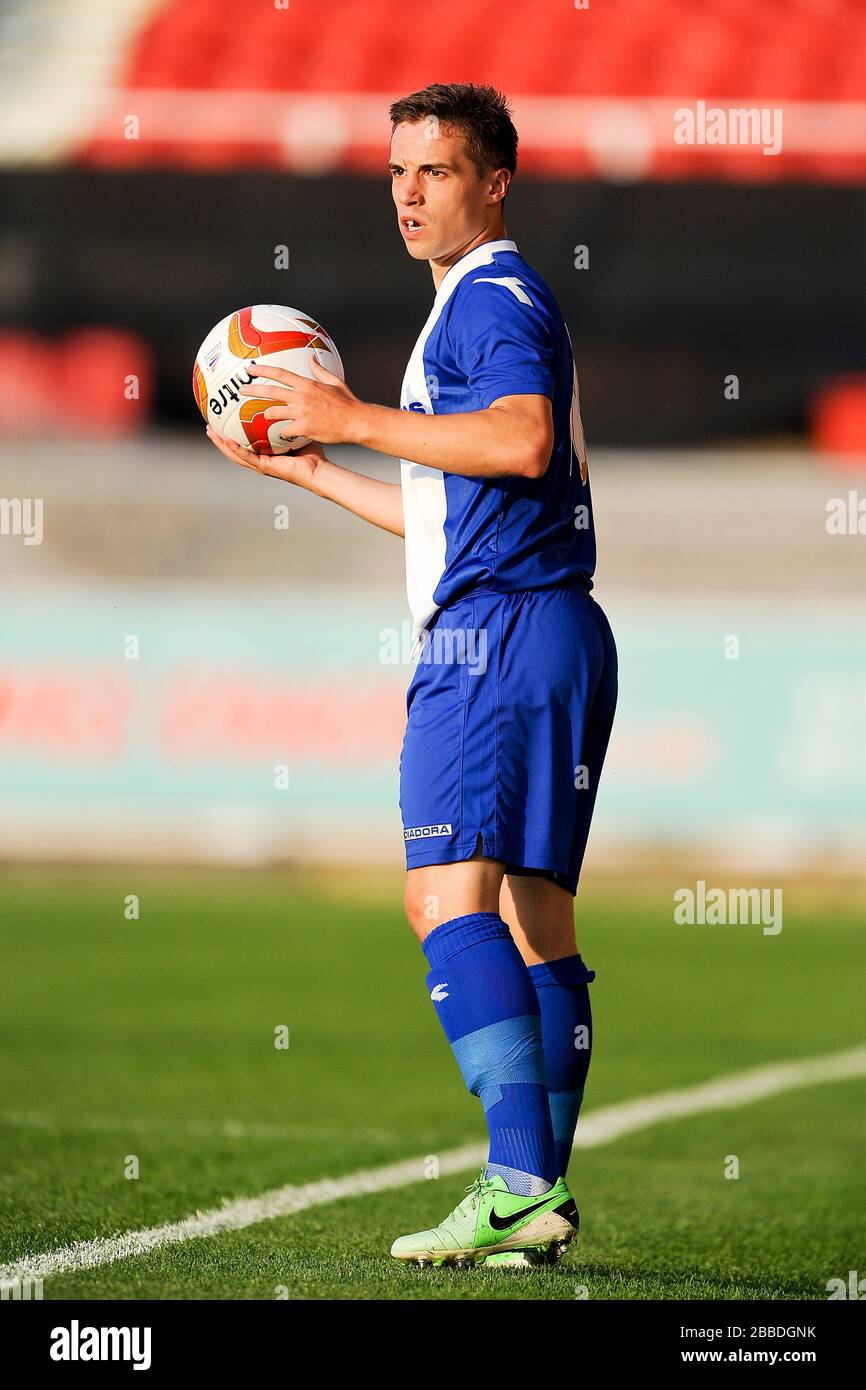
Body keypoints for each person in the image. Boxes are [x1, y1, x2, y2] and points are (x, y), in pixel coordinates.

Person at [206, 82, 617, 1268]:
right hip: (545, 621)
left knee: (444, 901)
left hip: (490, 637)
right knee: (537, 923)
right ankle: (530, 1194)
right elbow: (464, 508)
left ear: (494, 182)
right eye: (396, 171)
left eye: (434, 170)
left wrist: (351, 410)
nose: (406, 191)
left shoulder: (489, 297)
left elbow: (519, 438)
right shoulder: (492, 298)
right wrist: (318, 469)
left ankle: (512, 1182)